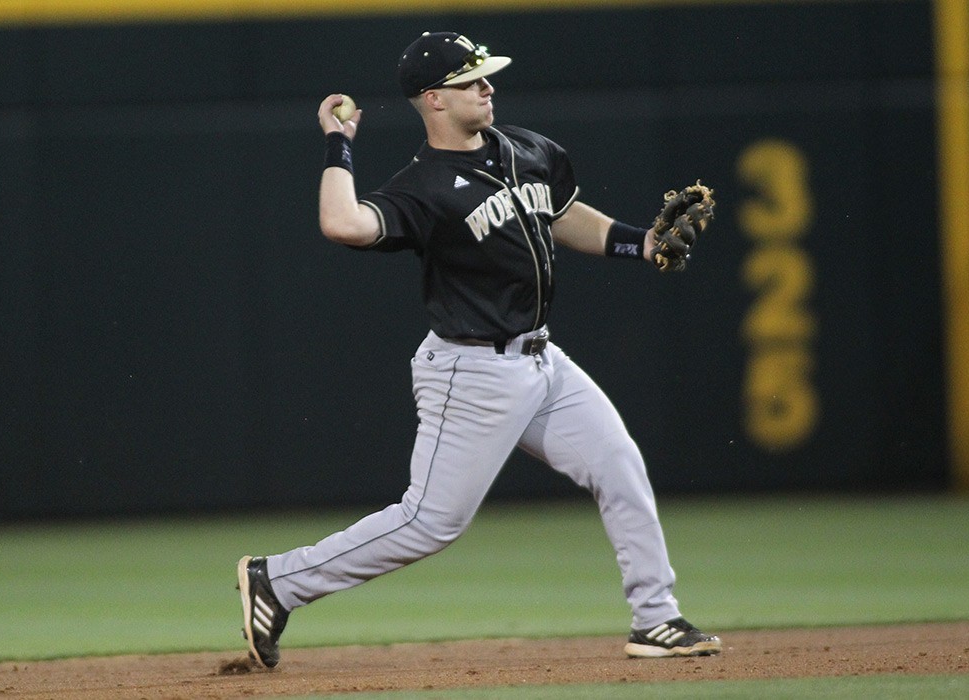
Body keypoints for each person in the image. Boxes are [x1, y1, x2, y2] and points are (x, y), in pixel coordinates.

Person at [237, 31, 720, 669]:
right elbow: (343, 223)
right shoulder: (423, 186)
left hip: (543, 361)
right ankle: (280, 581)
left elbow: (564, 214)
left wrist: (640, 243)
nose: (487, 87)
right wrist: (337, 145)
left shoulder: (528, 148)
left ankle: (656, 618)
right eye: (471, 81)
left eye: (486, 75)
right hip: (470, 370)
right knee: (429, 522)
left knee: (619, 465)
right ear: (434, 100)